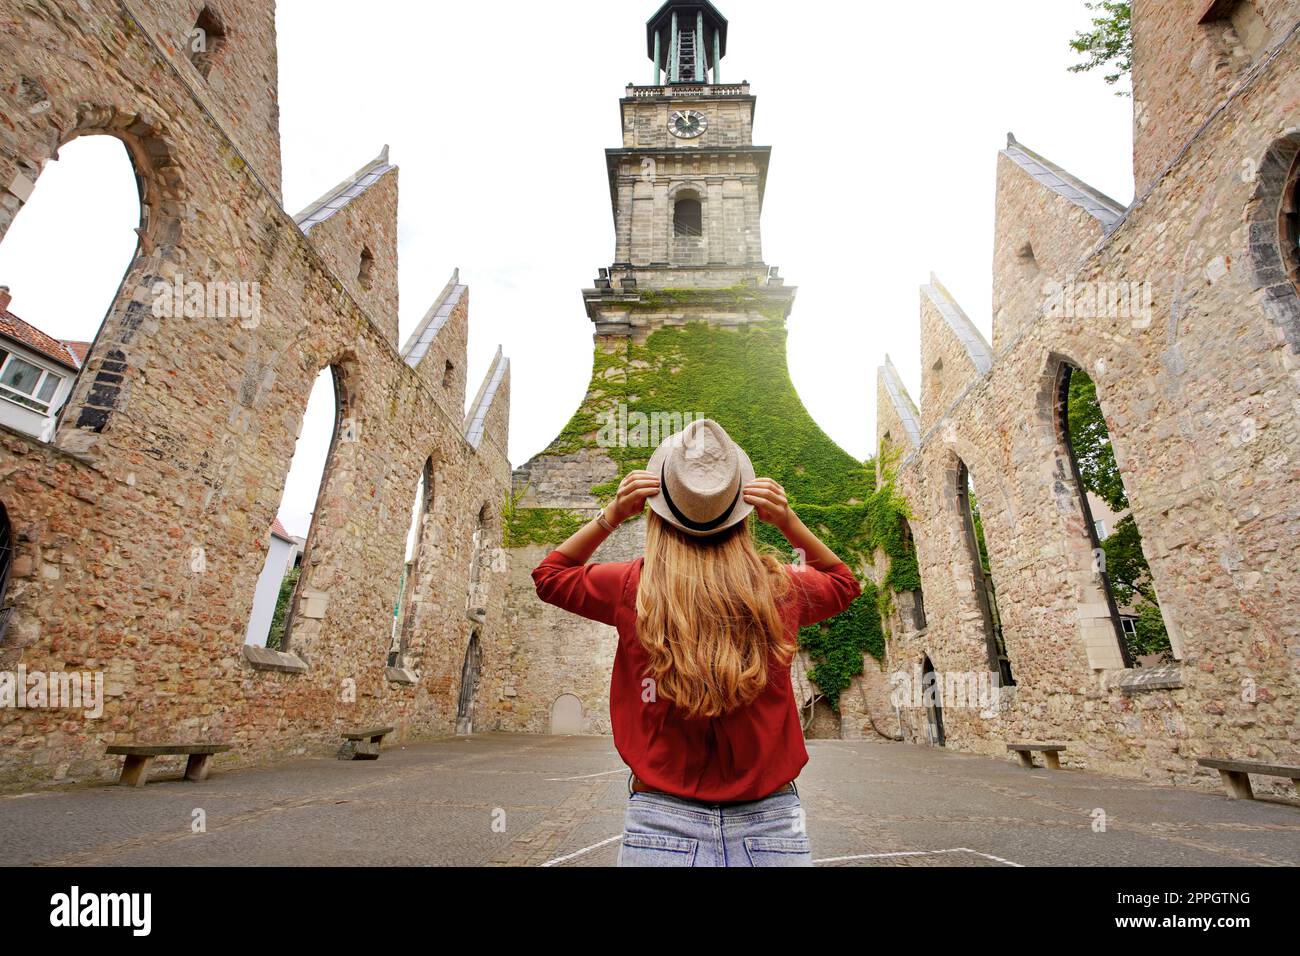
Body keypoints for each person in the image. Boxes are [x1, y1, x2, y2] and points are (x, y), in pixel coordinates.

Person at [531, 418, 861, 867]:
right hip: (771, 823)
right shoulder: (779, 588)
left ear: (657, 512)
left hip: (659, 822)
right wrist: (788, 520)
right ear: (741, 511)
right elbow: (843, 583)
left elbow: (549, 576)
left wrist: (610, 515)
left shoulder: (633, 587)